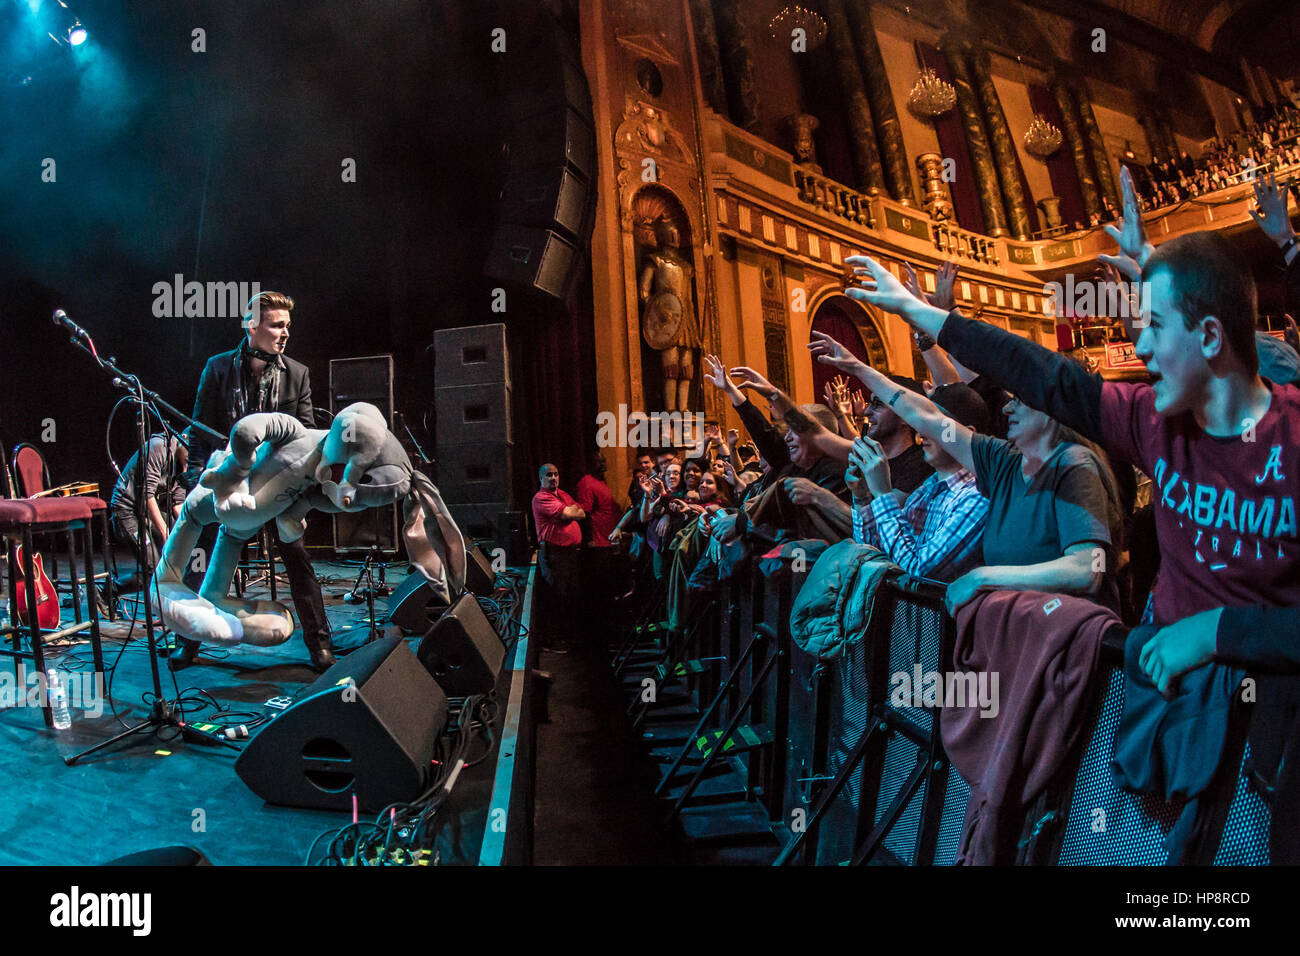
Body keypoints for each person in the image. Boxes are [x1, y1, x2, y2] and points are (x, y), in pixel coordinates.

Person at [842, 164, 1300, 690]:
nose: (1141, 346)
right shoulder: (1152, 418)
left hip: (1267, 726)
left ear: (1212, 336)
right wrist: (920, 315)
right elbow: (1045, 375)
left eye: (1155, 326)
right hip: (1165, 709)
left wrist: (1219, 631)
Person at [812, 333, 1122, 610]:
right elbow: (927, 416)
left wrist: (983, 577)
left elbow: (1086, 571)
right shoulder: (1003, 460)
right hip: (1016, 635)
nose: (1007, 409)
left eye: (1021, 401)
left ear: (1053, 410)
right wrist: (857, 367)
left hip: (1066, 646)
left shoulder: (1074, 463)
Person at [177, 291, 333, 671]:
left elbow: (309, 438)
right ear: (251, 325)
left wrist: (303, 497)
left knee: (297, 557)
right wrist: (197, 482)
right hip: (229, 485)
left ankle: (320, 644)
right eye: (277, 325)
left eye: (287, 326)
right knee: (203, 557)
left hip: (277, 489)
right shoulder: (217, 369)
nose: (285, 334)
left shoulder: (297, 374)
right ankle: (188, 641)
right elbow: (198, 432)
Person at [109, 433, 188, 587]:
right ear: (183, 439)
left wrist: (188, 532)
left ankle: (169, 602)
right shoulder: (158, 447)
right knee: (152, 570)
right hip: (127, 511)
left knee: (183, 554)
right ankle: (108, 591)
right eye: (191, 453)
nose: (192, 460)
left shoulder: (183, 464)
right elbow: (147, 496)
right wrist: (166, 533)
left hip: (147, 512)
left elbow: (178, 504)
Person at [531, 463, 585, 653]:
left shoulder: (562, 494)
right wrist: (570, 511)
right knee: (556, 597)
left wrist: (572, 511)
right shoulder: (541, 498)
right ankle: (552, 641)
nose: (553, 478)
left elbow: (581, 512)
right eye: (548, 475)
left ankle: (566, 638)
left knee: (569, 596)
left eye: (555, 474)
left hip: (569, 554)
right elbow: (570, 512)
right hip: (554, 554)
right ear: (541, 479)